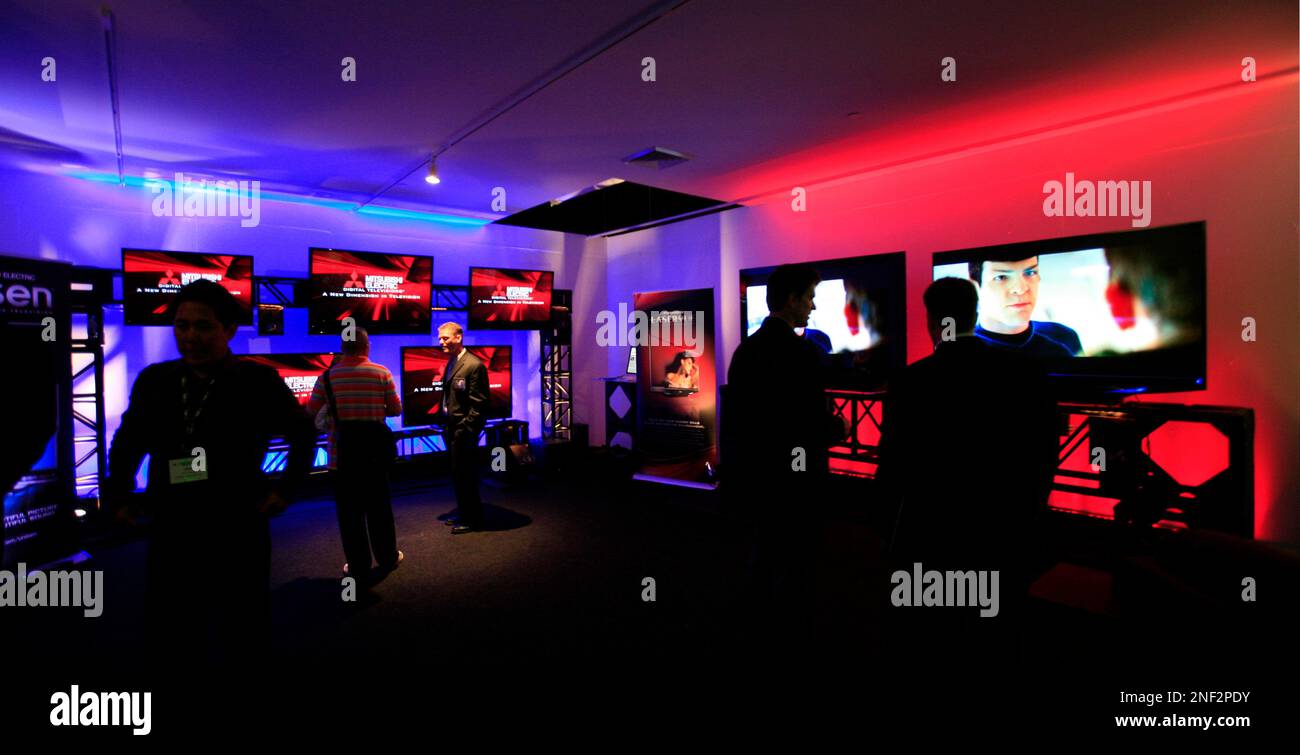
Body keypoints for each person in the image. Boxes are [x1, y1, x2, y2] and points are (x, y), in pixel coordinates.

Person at [103, 279, 316, 664]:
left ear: (228, 329)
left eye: (203, 326)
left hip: (237, 521)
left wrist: (286, 490)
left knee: (243, 626)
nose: (190, 336)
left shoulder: (256, 380)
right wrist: (117, 496)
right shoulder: (156, 380)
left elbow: (302, 434)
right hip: (172, 521)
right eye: (182, 326)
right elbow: (128, 442)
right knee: (173, 626)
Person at [877, 277, 1058, 592]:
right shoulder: (1028, 374)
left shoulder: (909, 382)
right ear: (975, 316)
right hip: (1006, 535)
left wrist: (887, 533)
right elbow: (1044, 455)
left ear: (932, 321)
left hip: (930, 538)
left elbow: (894, 466)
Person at [725, 264, 847, 621]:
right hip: (798, 478)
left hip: (759, 472)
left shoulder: (745, 352)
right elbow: (807, 423)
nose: (813, 306)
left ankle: (758, 624)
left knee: (763, 549)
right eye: (809, 297)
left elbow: (742, 419)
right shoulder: (802, 354)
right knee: (799, 559)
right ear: (792, 299)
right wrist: (838, 428)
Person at [305, 327, 403, 582]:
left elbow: (310, 412)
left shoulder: (327, 377)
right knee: (380, 510)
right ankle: (388, 557)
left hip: (342, 459)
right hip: (375, 458)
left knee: (350, 516)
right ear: (366, 347)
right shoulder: (381, 373)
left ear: (342, 347)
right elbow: (395, 410)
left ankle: (358, 566)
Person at [968, 256, 1082, 357]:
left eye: (1030, 273)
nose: (1021, 289)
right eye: (1001, 277)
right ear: (975, 287)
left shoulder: (1063, 336)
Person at [437, 322, 489, 534]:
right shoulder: (453, 362)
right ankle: (464, 512)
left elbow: (479, 404)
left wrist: (466, 430)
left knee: (467, 476)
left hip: (462, 432)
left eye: (445, 338)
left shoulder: (473, 365)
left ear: (458, 337)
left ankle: (472, 519)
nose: (441, 342)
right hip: (451, 430)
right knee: (458, 476)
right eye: (440, 338)